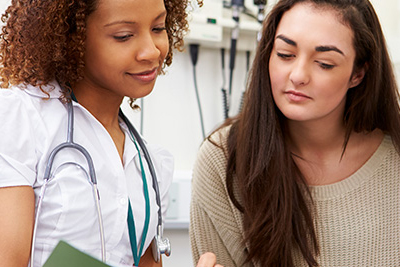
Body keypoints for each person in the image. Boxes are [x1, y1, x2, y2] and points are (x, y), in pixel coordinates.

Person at [189, 0, 400, 266]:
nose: (298, 75)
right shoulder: (222, 160)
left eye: (324, 63)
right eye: (285, 54)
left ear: (358, 73)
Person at [0, 0, 202, 266]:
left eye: (158, 27)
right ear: (72, 37)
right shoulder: (19, 119)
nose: (151, 51)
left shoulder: (150, 164)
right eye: (124, 36)